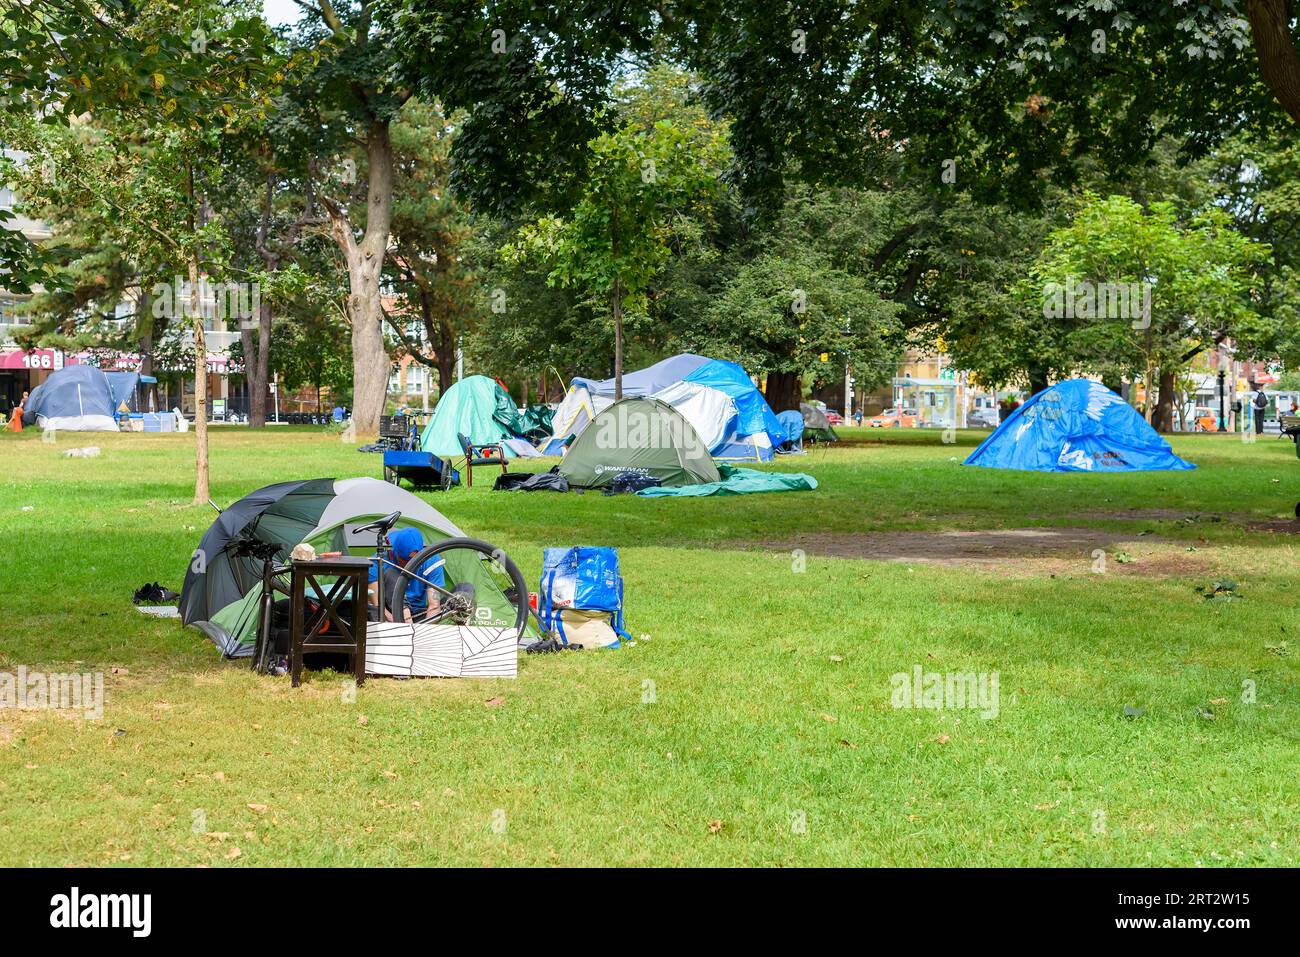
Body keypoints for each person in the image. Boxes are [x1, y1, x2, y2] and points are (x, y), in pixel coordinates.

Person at [369, 527, 445, 621]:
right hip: (390, 615)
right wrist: (399, 624)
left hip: (419, 614)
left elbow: (434, 606)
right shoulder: (376, 563)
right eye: (405, 560)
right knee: (391, 573)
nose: (410, 564)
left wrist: (423, 630)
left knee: (464, 590)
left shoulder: (432, 562)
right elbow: (378, 606)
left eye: (416, 560)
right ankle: (405, 616)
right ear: (394, 553)